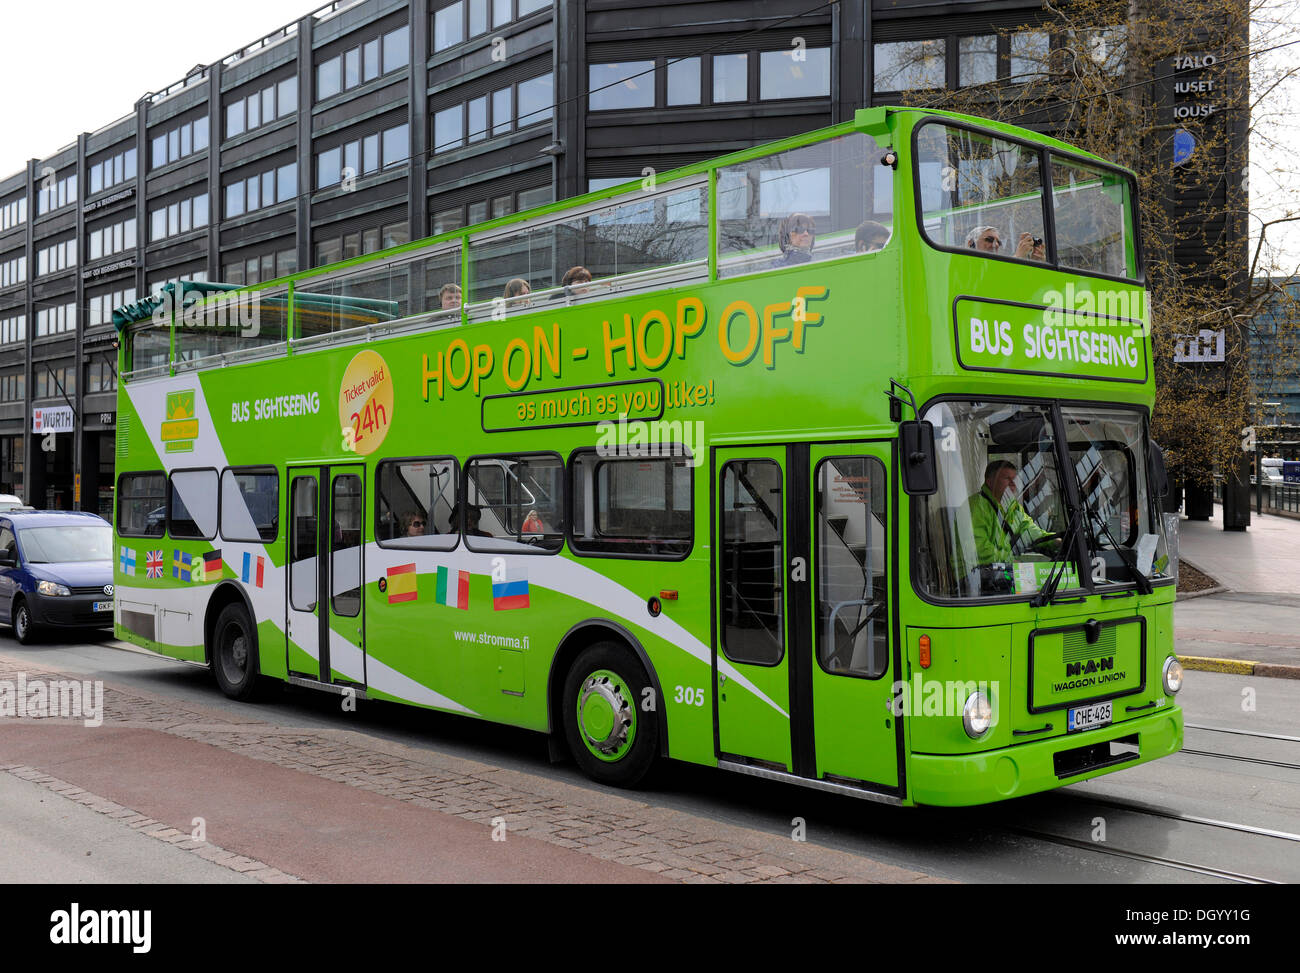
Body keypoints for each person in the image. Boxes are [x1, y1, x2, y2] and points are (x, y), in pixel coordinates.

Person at [967, 460, 1057, 565]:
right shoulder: (976, 506)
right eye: (1007, 479)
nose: (1013, 483)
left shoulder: (1013, 507)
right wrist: (1010, 561)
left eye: (1014, 479)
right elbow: (978, 547)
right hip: (973, 572)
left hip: (997, 567)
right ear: (990, 481)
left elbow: (1029, 531)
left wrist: (1054, 541)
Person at [965, 225, 1044, 260]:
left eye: (999, 243)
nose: (995, 245)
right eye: (989, 240)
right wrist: (1018, 257)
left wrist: (1036, 262)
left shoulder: (996, 265)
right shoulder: (961, 264)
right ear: (971, 243)